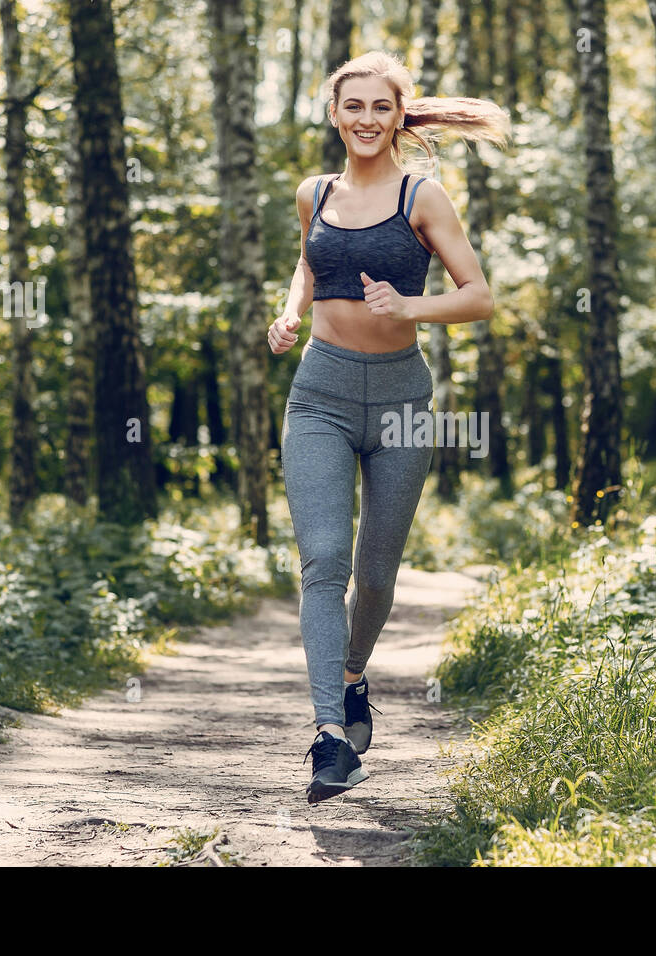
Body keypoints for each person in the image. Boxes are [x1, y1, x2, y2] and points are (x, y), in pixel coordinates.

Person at [267, 50, 509, 804]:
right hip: (320, 395)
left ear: (398, 115)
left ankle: (351, 674)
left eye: (381, 107)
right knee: (325, 561)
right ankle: (330, 738)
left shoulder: (422, 196)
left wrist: (409, 308)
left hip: (402, 401)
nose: (366, 119)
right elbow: (310, 264)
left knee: (375, 573)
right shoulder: (315, 192)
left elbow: (478, 296)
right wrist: (290, 311)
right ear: (335, 114)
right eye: (353, 106)